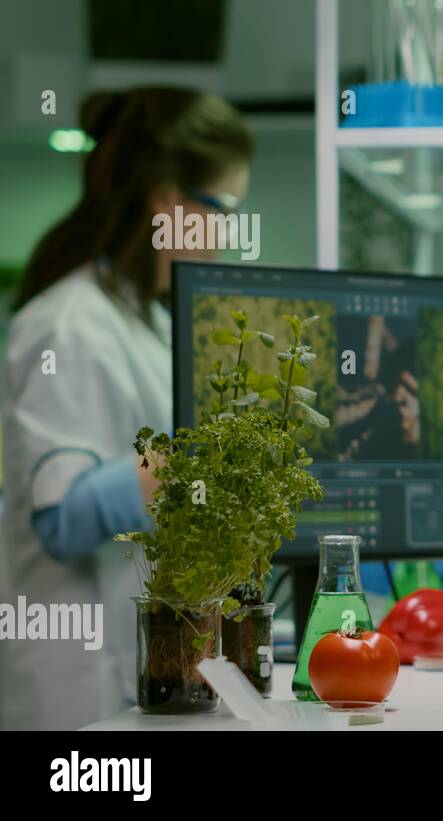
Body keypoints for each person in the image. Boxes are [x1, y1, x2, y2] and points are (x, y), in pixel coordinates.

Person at [0, 87, 253, 730]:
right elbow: (62, 520)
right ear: (168, 200)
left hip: (139, 674)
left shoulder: (143, 324)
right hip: (77, 693)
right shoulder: (69, 326)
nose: (230, 233)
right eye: (223, 208)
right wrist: (199, 459)